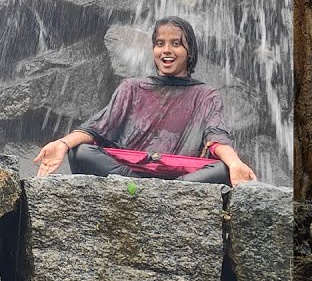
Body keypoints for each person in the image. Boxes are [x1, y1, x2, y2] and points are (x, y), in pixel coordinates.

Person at [32, 16, 257, 187]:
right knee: (80, 152)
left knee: (222, 168)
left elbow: (216, 139)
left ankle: (163, 188)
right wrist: (62, 144)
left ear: (190, 52)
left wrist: (235, 162)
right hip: (129, 172)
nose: (166, 50)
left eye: (175, 44)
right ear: (153, 49)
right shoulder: (132, 87)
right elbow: (99, 128)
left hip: (182, 175)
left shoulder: (206, 95)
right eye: (160, 43)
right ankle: (146, 187)